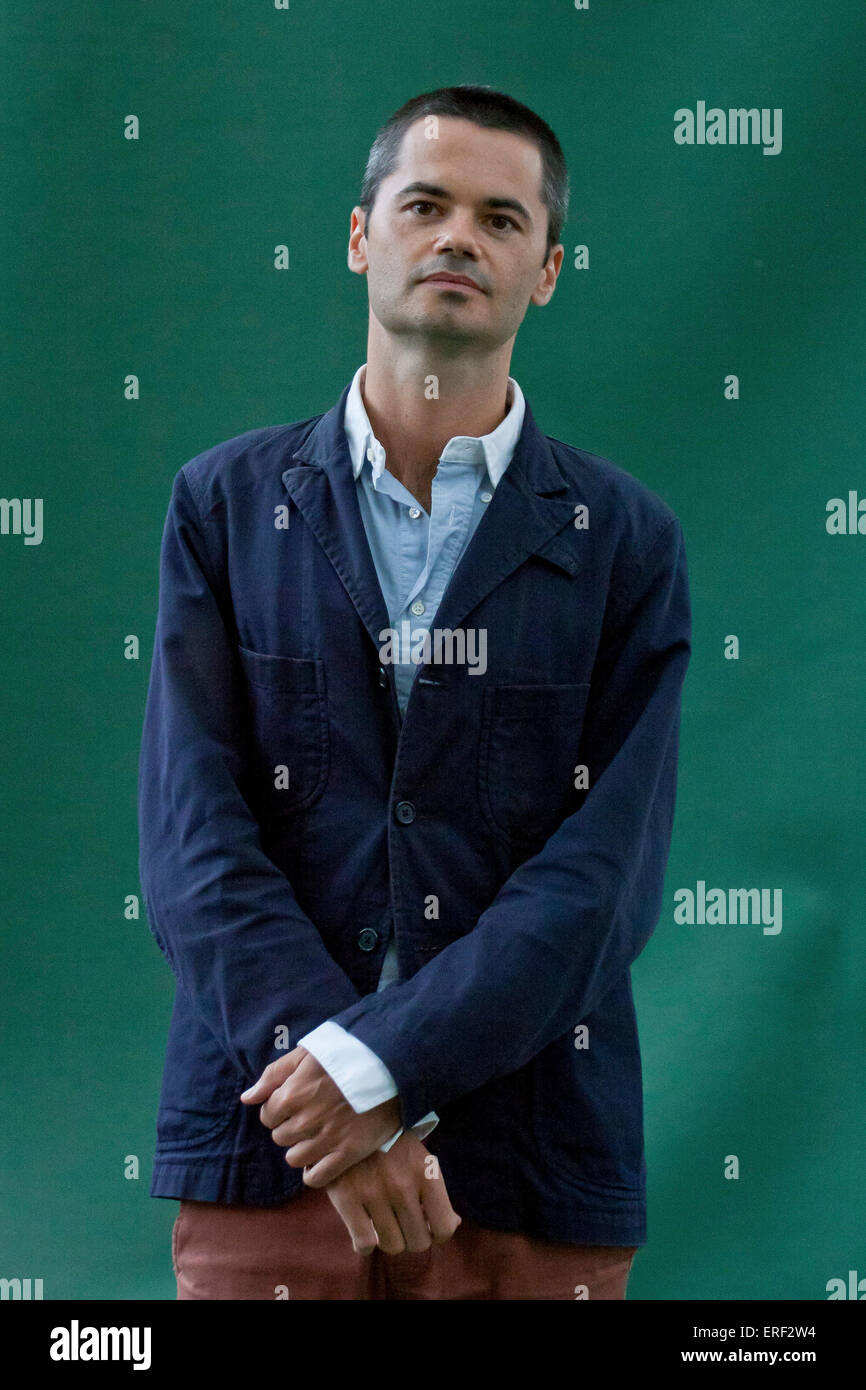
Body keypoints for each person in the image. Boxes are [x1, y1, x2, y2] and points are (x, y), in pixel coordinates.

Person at [138, 83, 692, 1301]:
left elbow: (601, 878)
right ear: (358, 237)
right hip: (267, 1154)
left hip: (529, 1173)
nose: (457, 237)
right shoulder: (222, 509)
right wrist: (327, 1078)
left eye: (500, 220)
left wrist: (378, 1068)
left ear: (545, 271)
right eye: (425, 204)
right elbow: (194, 844)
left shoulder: (625, 542)